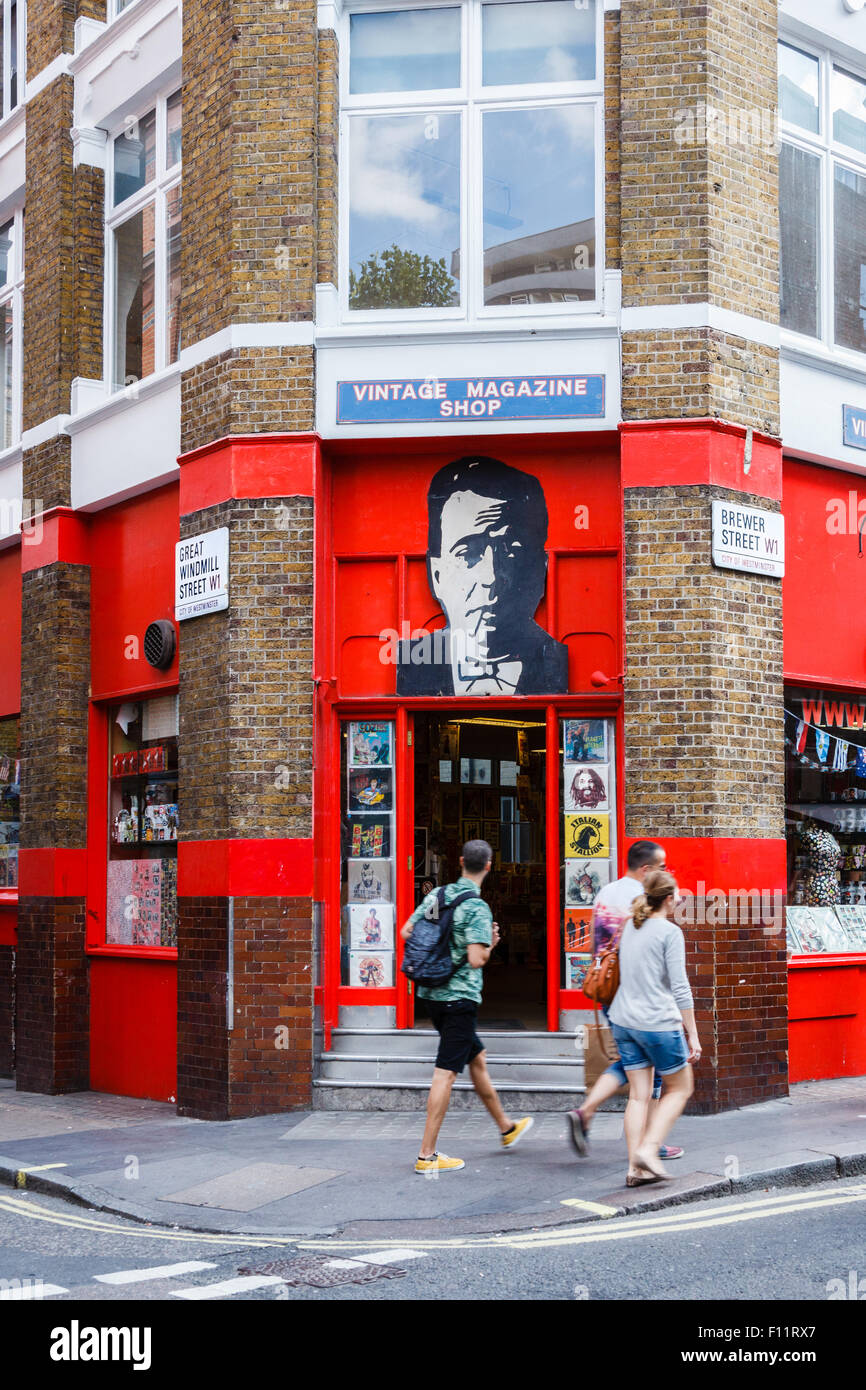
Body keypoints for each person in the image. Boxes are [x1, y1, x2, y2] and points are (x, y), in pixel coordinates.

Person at [400, 839, 534, 1173]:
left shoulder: (437, 895)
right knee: (445, 1075)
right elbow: (477, 958)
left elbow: (408, 931)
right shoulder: (476, 908)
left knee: (477, 1059)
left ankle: (506, 1127)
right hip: (459, 999)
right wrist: (493, 943)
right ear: (489, 866)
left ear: (460, 861)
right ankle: (427, 1155)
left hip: (432, 996)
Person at [396, 457, 568, 696]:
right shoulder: (413, 665)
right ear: (436, 575)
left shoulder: (553, 660)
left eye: (511, 552)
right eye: (469, 554)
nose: (491, 578)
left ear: (541, 570)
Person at [566, 840, 684, 1162]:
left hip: (608, 991)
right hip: (637, 995)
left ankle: (588, 1111)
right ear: (646, 869)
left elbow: (595, 942)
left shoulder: (606, 891)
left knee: (633, 1062)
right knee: (651, 1068)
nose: (665, 873)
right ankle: (651, 1142)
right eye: (661, 868)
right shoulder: (640, 898)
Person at [607, 869, 701, 1185]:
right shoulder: (670, 932)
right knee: (681, 1087)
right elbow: (680, 987)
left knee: (638, 1095)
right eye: (678, 893)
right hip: (657, 1023)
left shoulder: (631, 926)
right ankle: (649, 1149)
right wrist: (693, 1034)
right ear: (670, 898)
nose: (680, 898)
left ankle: (635, 1170)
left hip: (623, 1020)